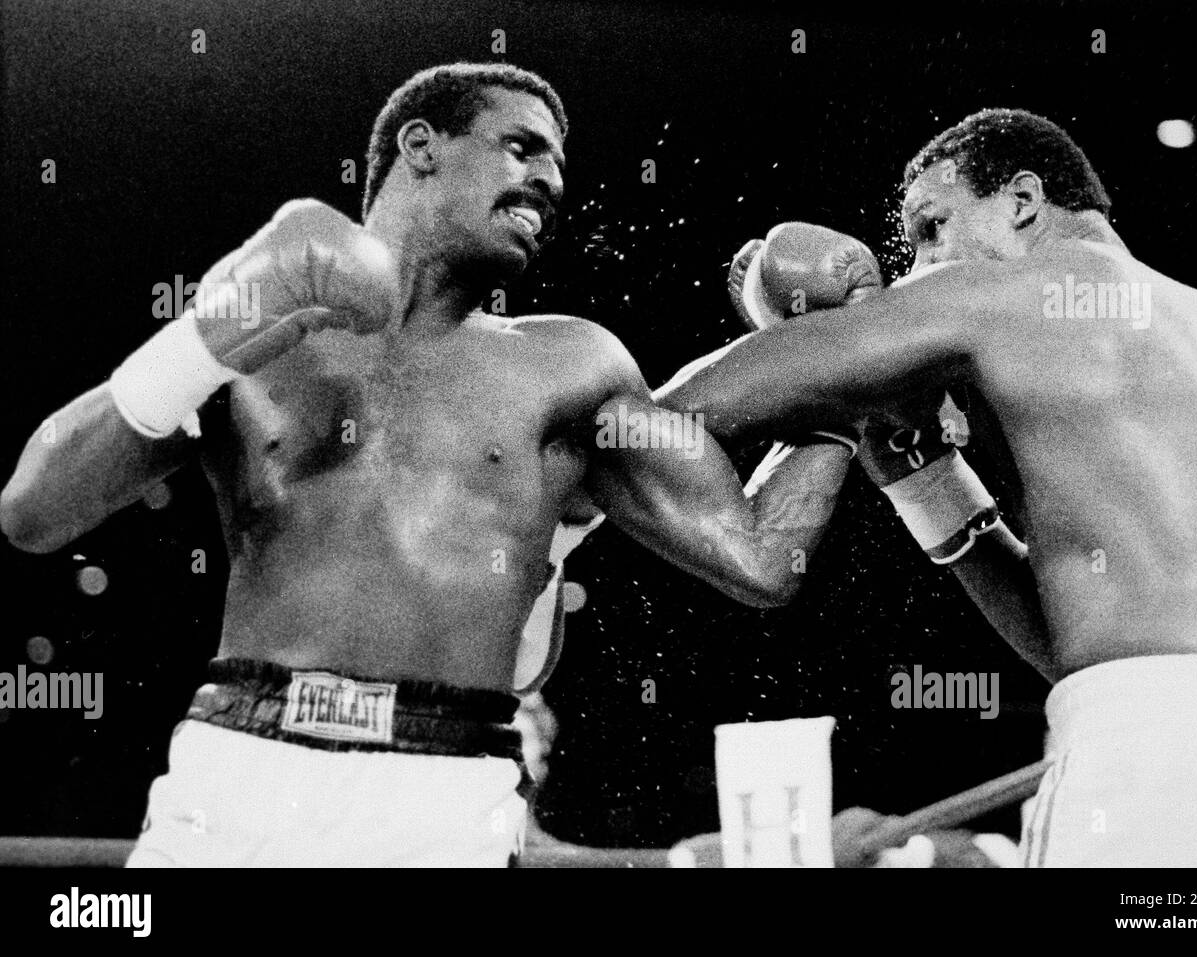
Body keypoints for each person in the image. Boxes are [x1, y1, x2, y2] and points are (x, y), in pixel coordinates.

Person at [0, 63, 862, 867]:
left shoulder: (571, 366)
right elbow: (34, 509)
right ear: (421, 146)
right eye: (522, 148)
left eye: (560, 166)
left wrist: (841, 393)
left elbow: (758, 559)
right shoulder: (266, 331)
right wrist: (211, 329)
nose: (552, 183)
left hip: (445, 793)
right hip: (236, 763)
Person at [656, 108, 1197, 866]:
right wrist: (927, 484)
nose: (919, 267)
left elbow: (694, 408)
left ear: (1022, 201)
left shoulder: (995, 292)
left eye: (933, 227)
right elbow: (1082, 644)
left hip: (1140, 757)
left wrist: (783, 321)